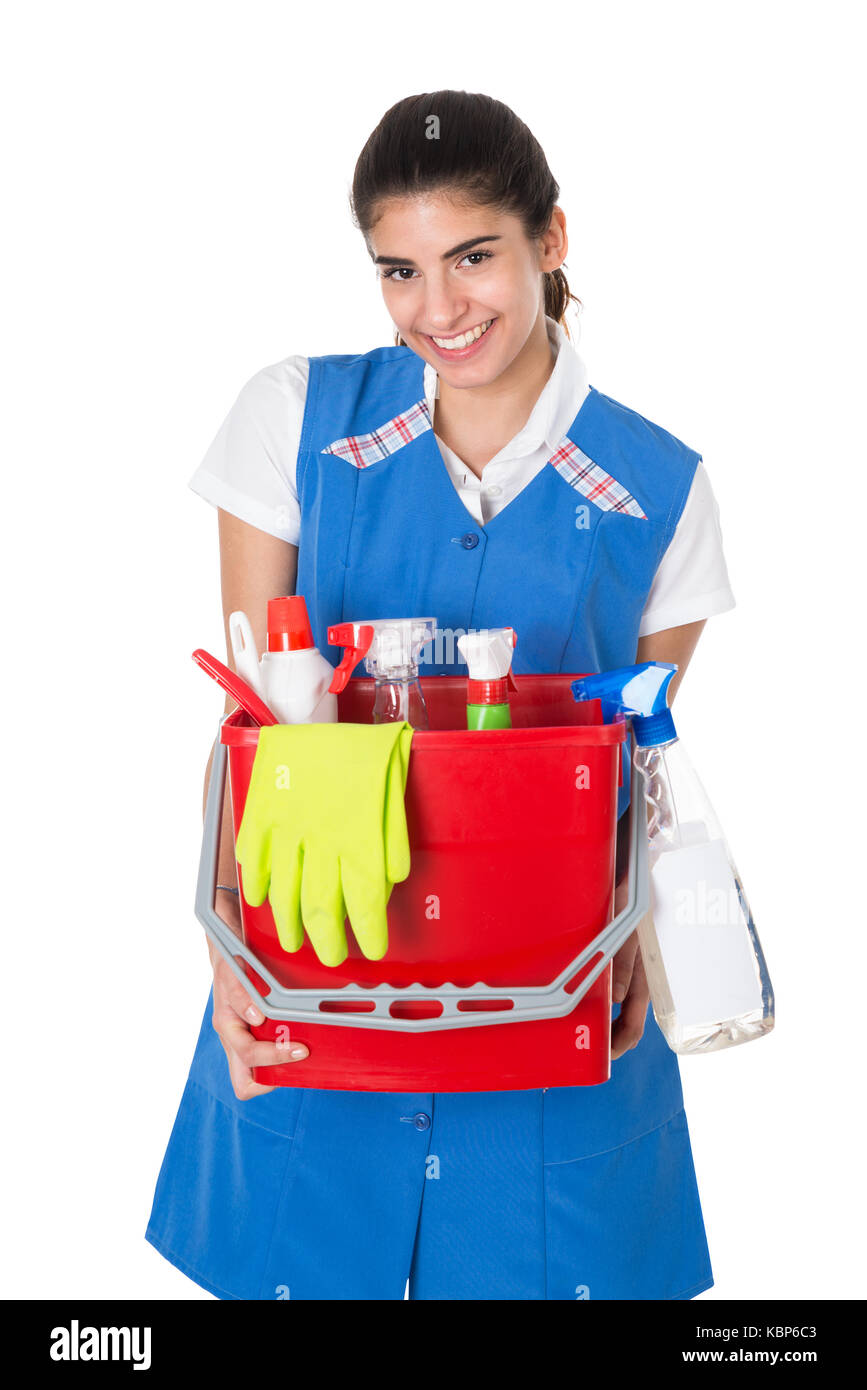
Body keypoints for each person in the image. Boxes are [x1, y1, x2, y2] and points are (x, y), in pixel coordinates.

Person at [146, 90, 735, 1301]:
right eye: (398, 271)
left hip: (555, 1011)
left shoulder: (658, 489)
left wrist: (634, 946)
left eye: (474, 258)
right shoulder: (296, 420)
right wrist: (223, 948)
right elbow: (252, 725)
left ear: (550, 241)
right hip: (319, 980)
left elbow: (639, 770)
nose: (438, 310)